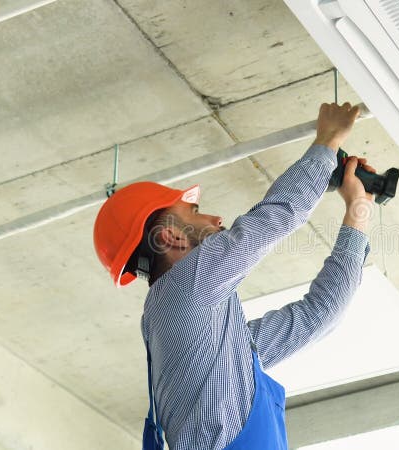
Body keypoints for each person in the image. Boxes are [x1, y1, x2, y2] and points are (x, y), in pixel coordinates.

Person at [93, 102, 374, 449]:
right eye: (194, 212)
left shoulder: (213, 342)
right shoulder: (185, 287)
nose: (214, 219)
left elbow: (321, 314)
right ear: (169, 236)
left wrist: (358, 209)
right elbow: (277, 216)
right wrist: (328, 139)